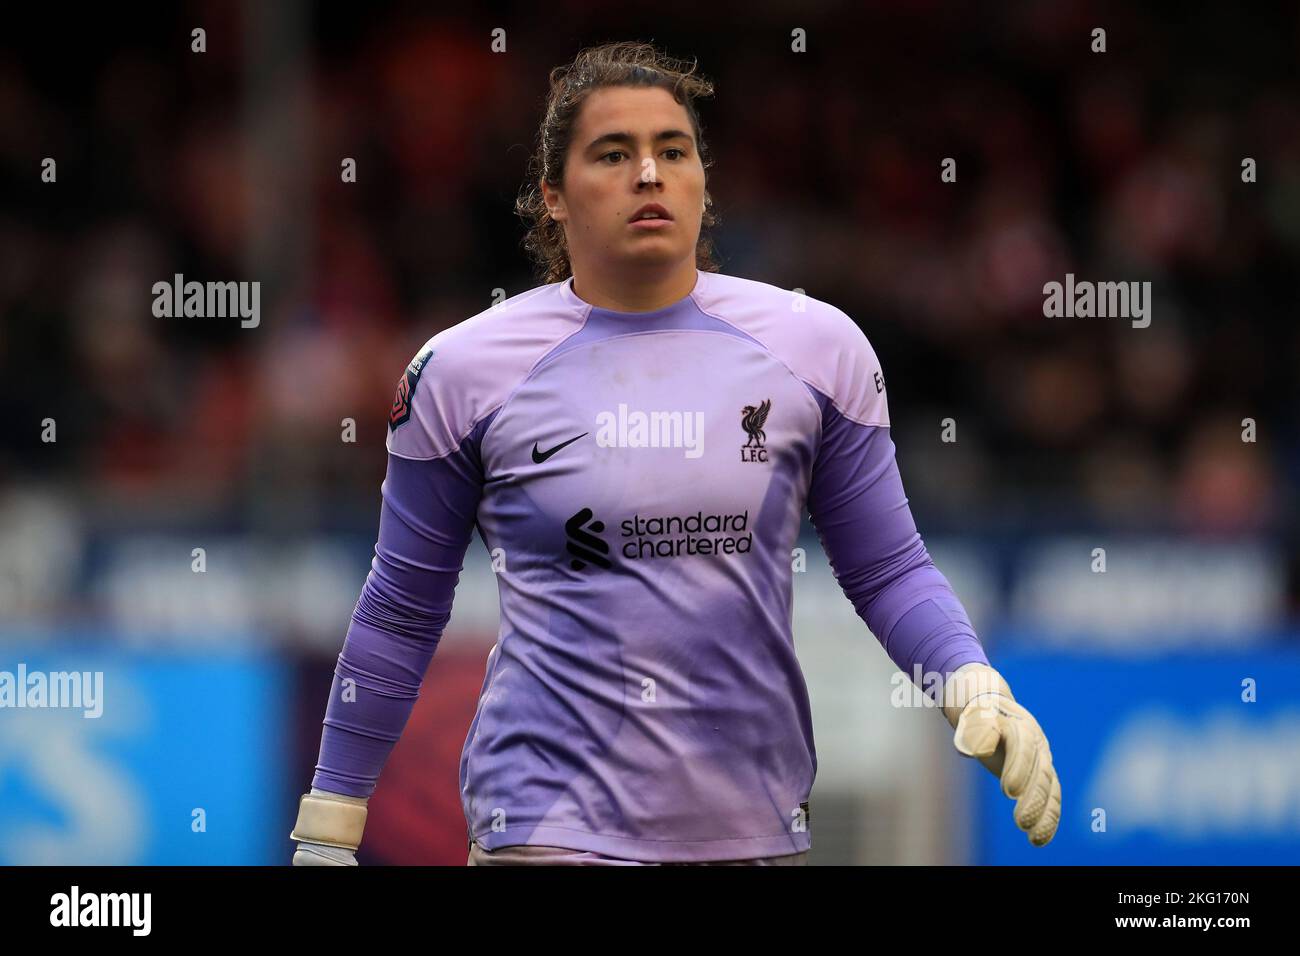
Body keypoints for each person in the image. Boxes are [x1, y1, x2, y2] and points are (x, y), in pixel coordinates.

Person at [290, 41, 1060, 867]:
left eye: (673, 151)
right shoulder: (463, 371)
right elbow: (403, 605)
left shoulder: (819, 350)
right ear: (552, 194)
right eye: (613, 154)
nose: (649, 174)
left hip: (752, 829)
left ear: (703, 181)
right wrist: (332, 817)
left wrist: (970, 681)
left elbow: (888, 569)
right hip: (544, 828)